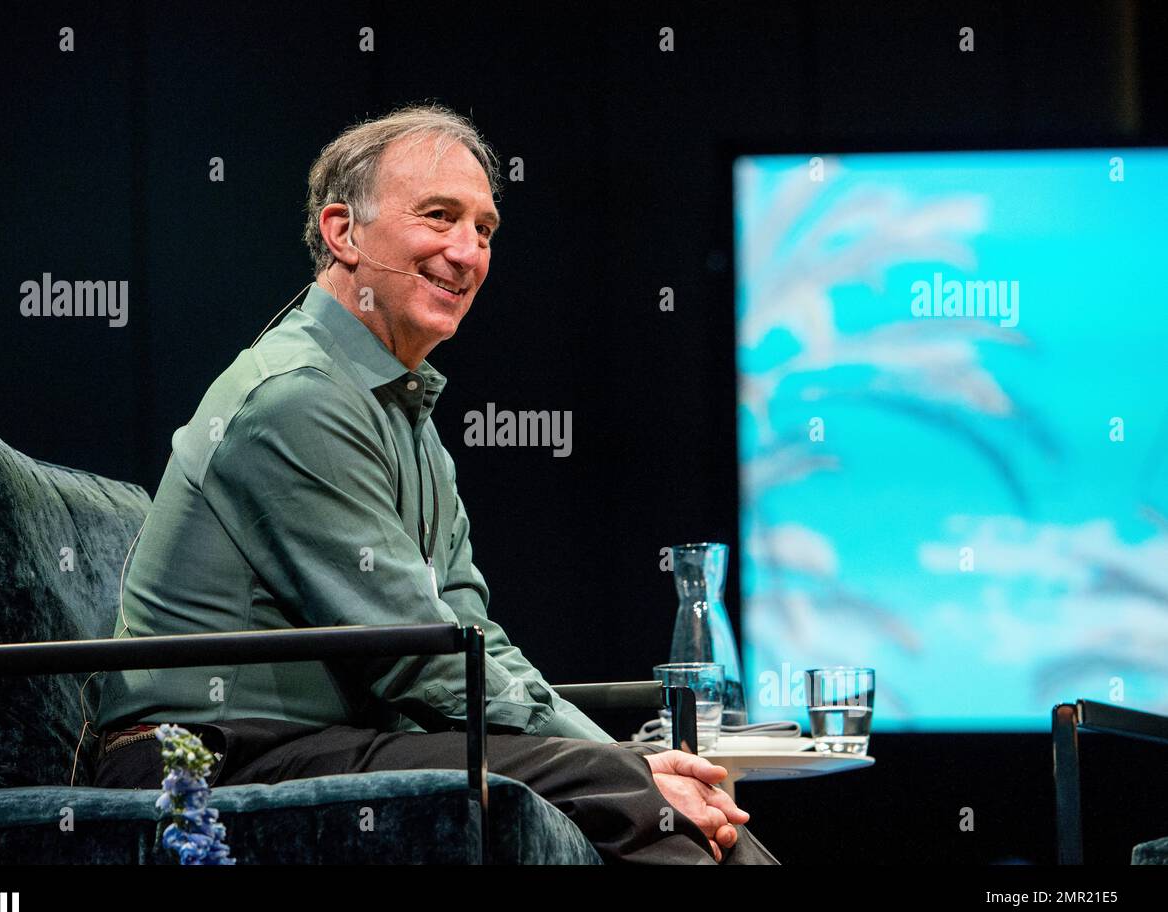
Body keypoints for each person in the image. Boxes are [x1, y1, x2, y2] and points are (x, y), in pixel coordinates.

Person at [93, 103, 779, 865]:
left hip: (326, 738)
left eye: (484, 229)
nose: (466, 252)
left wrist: (628, 764)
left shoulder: (407, 415)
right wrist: (628, 766)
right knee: (646, 799)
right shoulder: (298, 398)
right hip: (203, 758)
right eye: (439, 216)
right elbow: (421, 660)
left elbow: (467, 634)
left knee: (659, 797)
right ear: (342, 232)